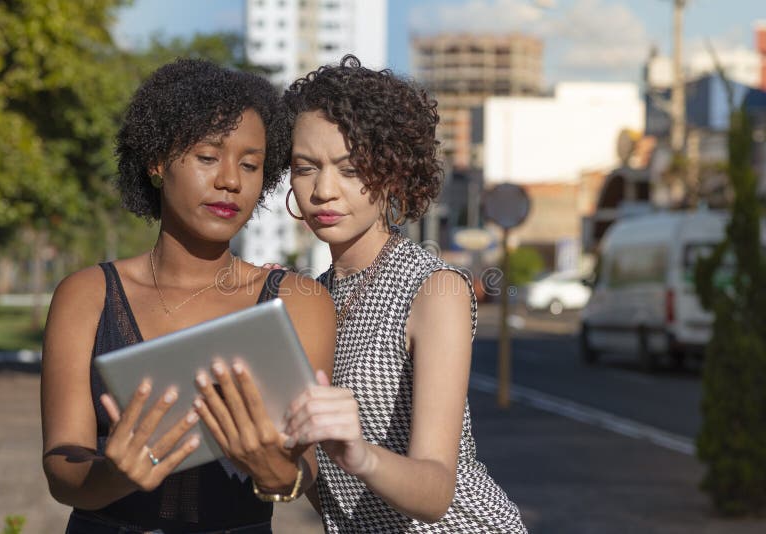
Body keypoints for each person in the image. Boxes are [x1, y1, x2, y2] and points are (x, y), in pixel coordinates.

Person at [40, 58, 335, 534]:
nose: (230, 181)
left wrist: (275, 471)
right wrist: (114, 475)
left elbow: (302, 474)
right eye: (206, 157)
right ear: (156, 161)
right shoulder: (86, 295)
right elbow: (61, 467)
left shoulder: (300, 303)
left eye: (251, 164)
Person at [280, 55, 527, 533]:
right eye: (305, 167)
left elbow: (436, 491)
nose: (323, 190)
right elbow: (315, 482)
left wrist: (359, 453)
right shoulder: (309, 301)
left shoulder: (433, 289)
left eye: (350, 169)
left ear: (392, 174)